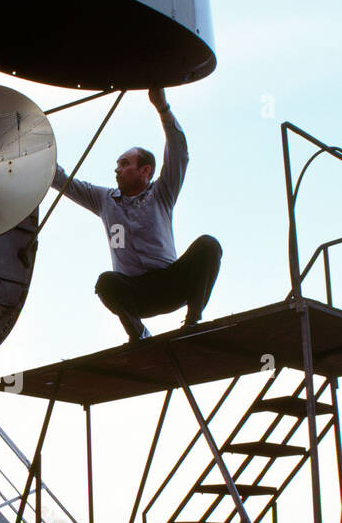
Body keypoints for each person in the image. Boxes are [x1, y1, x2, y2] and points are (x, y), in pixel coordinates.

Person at [52, 88, 222, 342]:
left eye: (125, 164)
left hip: (171, 284)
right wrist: (34, 155)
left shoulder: (162, 192)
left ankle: (192, 321)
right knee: (106, 282)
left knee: (208, 245)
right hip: (135, 293)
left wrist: (163, 108)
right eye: (118, 164)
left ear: (145, 171)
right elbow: (64, 182)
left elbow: (179, 154)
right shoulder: (104, 199)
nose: (117, 170)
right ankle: (139, 334)